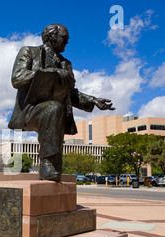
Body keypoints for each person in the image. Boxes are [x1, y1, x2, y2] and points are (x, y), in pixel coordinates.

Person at [9, 24, 115, 182]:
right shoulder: (30, 52)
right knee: (54, 107)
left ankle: (50, 173)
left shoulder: (66, 64)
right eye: (64, 38)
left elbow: (70, 93)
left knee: (56, 117)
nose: (67, 42)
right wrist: (48, 72)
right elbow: (17, 78)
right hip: (30, 110)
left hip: (54, 114)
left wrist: (93, 100)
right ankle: (46, 163)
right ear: (52, 38)